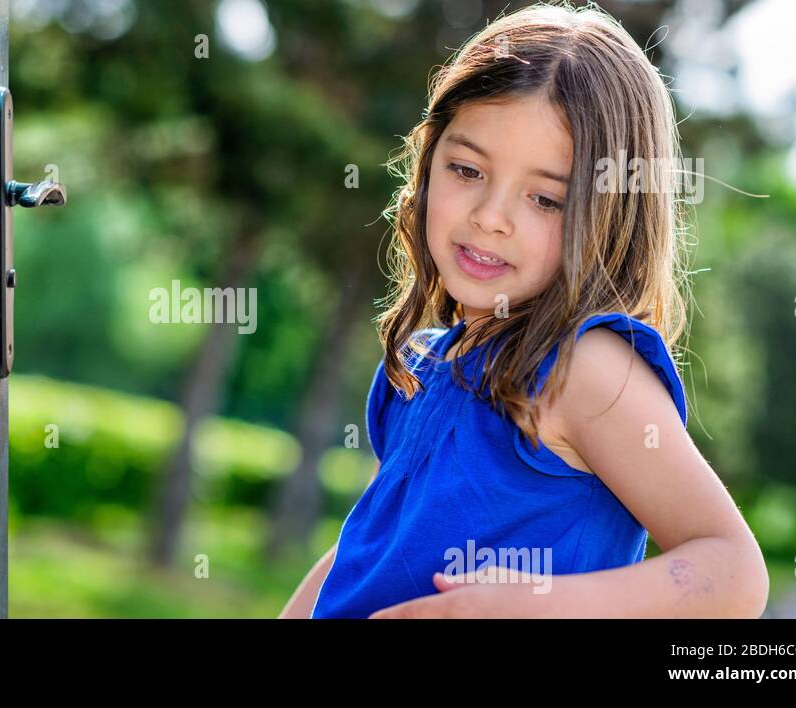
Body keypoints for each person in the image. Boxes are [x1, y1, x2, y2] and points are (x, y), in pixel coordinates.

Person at [280, 2, 768, 619]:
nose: (490, 216)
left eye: (545, 199)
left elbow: (732, 572)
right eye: (466, 169)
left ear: (612, 216)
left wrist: (535, 603)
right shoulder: (420, 362)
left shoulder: (585, 370)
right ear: (427, 163)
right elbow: (369, 547)